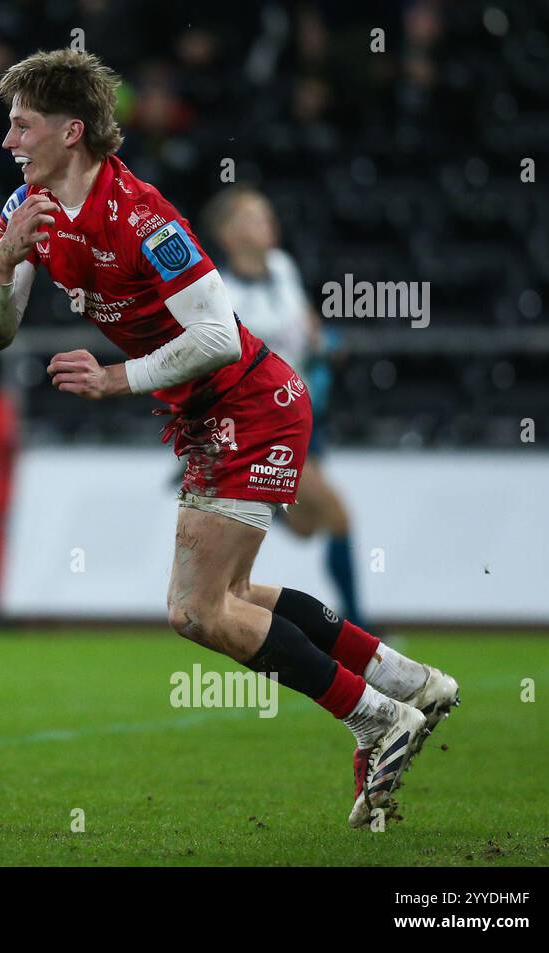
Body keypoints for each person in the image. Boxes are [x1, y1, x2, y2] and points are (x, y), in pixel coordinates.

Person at [0, 49, 457, 828]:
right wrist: (0, 265)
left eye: (21, 124)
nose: (8, 141)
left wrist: (115, 378)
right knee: (224, 601)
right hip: (206, 415)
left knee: (197, 611)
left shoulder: (144, 217)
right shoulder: (23, 212)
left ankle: (375, 716)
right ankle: (406, 682)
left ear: (70, 131)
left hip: (254, 403)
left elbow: (219, 338)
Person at [203, 184, 372, 631]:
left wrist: (323, 343)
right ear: (228, 232)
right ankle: (358, 627)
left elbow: (305, 325)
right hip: (265, 424)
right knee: (338, 516)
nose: (268, 222)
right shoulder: (223, 295)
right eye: (255, 216)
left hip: (304, 417)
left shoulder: (282, 267)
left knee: (305, 529)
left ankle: (258, 497)